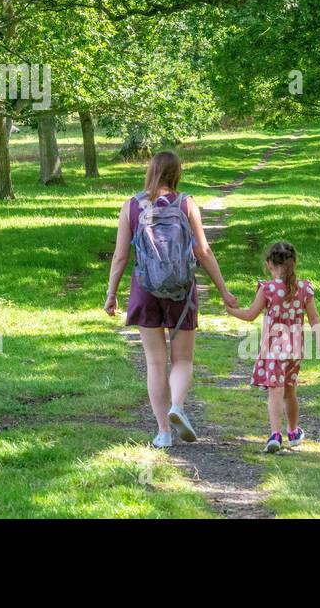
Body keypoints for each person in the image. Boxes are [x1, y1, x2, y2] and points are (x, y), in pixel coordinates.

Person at [105, 150, 235, 448]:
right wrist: (223, 291)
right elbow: (203, 252)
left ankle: (163, 432)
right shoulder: (186, 204)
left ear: (151, 171)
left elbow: (121, 255)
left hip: (144, 290)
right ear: (178, 172)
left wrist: (112, 293)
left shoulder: (131, 206)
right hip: (181, 291)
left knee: (154, 362)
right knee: (183, 359)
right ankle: (177, 405)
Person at [224, 240, 320, 453]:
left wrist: (231, 311)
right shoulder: (304, 289)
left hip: (274, 349)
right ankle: (293, 432)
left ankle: (275, 435)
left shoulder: (267, 289)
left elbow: (250, 315)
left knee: (274, 392)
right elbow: (314, 320)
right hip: (295, 350)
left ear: (269, 264)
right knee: (290, 391)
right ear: (294, 262)